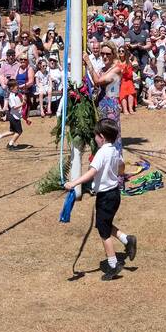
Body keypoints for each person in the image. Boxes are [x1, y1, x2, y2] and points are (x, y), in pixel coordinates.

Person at [64, 119, 137, 280]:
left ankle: (113, 264)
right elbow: (121, 166)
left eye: (95, 136)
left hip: (105, 197)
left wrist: (73, 183)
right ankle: (127, 239)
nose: (94, 138)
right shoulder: (114, 150)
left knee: (104, 232)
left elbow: (92, 172)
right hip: (114, 194)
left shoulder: (102, 152)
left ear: (101, 137)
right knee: (103, 223)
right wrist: (120, 173)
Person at [0, 82, 27, 150]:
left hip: (15, 115)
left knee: (12, 131)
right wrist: (22, 104)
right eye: (16, 87)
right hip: (14, 116)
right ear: (11, 88)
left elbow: (21, 99)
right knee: (19, 132)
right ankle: (10, 144)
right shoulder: (11, 96)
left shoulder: (17, 94)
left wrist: (23, 98)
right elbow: (14, 107)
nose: (18, 88)